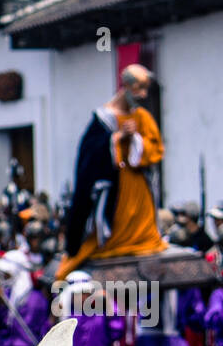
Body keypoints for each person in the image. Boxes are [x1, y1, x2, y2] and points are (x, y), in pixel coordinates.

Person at [58, 64, 165, 279]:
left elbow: (156, 149)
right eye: (139, 88)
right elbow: (89, 157)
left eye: (146, 89)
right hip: (116, 185)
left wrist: (137, 140)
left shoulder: (142, 117)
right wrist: (116, 139)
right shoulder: (104, 118)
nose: (143, 95)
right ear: (125, 85)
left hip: (138, 183)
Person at [0, 249, 50, 346]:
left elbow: (43, 330)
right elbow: (0, 326)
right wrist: (1, 305)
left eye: (7, 273)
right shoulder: (5, 295)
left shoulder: (36, 299)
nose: (3, 277)